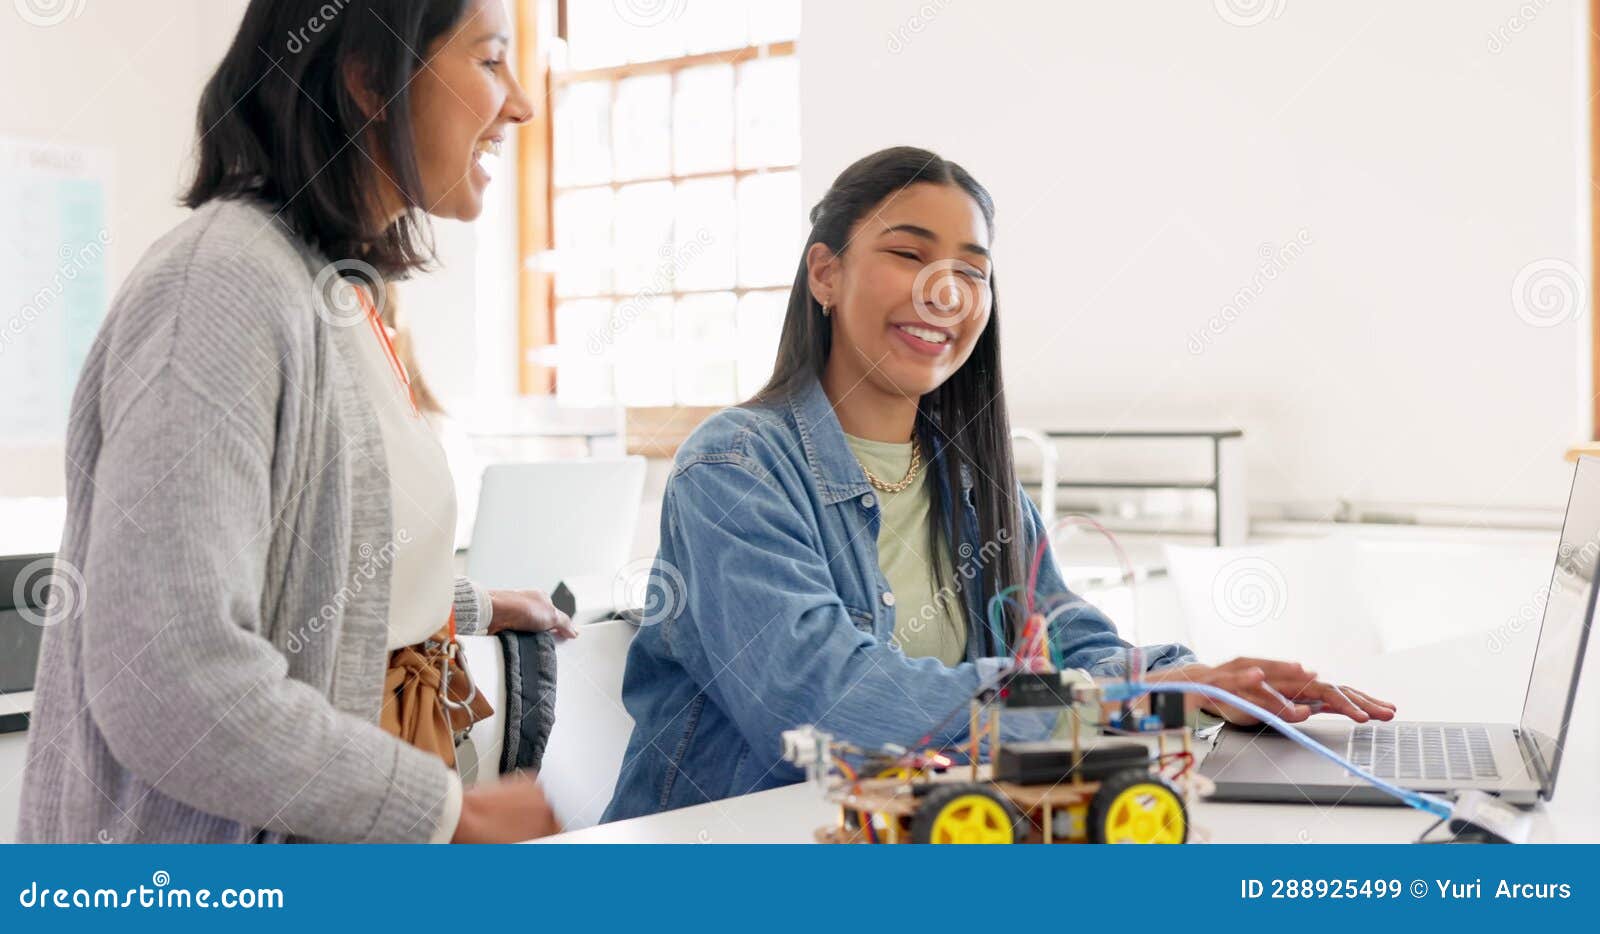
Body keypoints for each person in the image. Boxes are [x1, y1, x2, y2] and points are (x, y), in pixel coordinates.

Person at [604, 146, 1396, 821]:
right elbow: (827, 703)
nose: (943, 292)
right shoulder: (735, 466)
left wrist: (1197, 683)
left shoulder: (973, 484)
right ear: (825, 273)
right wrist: (1099, 704)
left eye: (971, 271)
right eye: (909, 255)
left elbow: (1066, 641)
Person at [19, 0, 566, 844]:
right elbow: (168, 675)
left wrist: (466, 603)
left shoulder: (339, 291)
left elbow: (309, 565)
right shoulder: (224, 285)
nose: (522, 105)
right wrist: (447, 815)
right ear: (367, 80)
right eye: (491, 61)